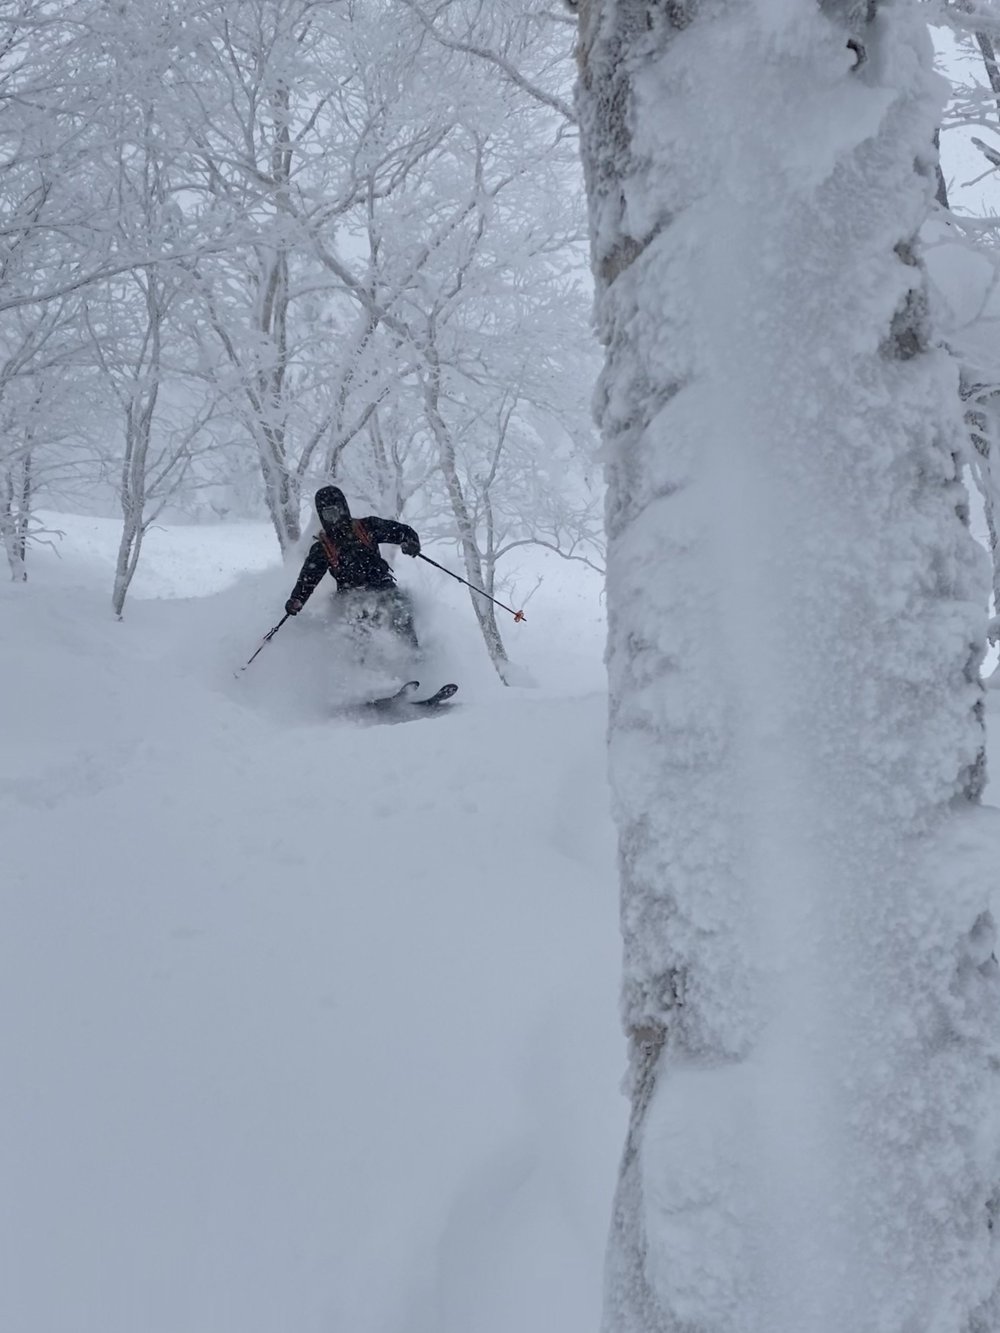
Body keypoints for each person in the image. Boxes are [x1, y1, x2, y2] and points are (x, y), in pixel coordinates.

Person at [285, 486, 422, 646]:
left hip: (382, 587)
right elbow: (308, 578)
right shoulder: (322, 548)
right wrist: (297, 599)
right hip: (350, 596)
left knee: (400, 610)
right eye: (328, 515)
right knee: (357, 628)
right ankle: (361, 658)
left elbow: (402, 531)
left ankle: (412, 651)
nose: (334, 519)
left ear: (344, 509)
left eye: (336, 512)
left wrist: (411, 542)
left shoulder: (367, 527)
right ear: (322, 517)